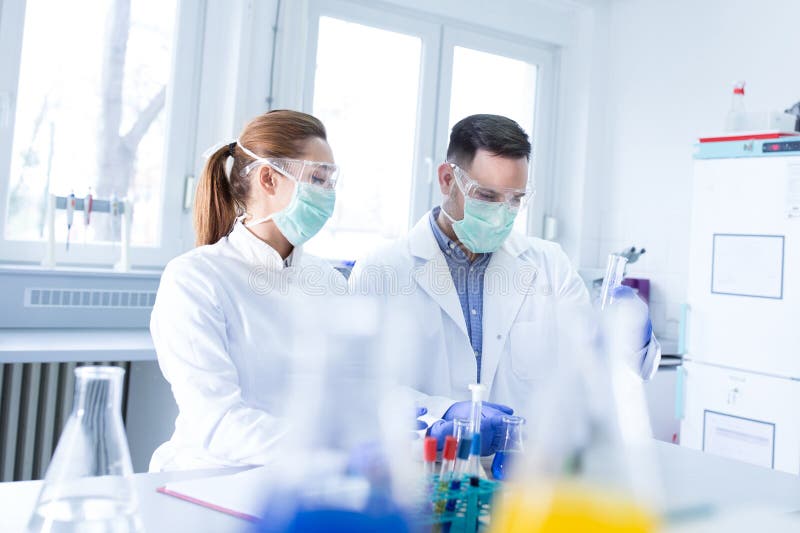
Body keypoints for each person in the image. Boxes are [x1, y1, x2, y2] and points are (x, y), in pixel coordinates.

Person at [350, 114, 660, 456]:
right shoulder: (381, 270)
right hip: (423, 467)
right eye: (486, 195)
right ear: (447, 180)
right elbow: (362, 388)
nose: (501, 213)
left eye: (515, 199)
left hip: (524, 471)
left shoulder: (550, 266)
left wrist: (630, 339)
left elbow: (593, 376)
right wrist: (443, 414)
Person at [149, 110, 346, 471]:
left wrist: (434, 417)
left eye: (332, 181)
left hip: (304, 477)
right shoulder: (195, 278)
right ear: (268, 178)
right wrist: (329, 454)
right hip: (210, 477)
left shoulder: (327, 280)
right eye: (318, 179)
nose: (328, 195)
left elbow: (357, 387)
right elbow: (218, 423)